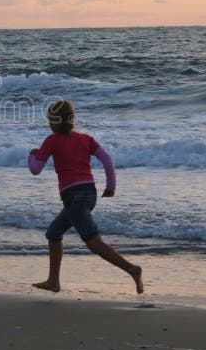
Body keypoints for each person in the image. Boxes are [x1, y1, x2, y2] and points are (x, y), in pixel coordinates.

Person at [28, 99, 143, 294]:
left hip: (74, 198)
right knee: (53, 233)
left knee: (93, 241)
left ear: (56, 121)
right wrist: (111, 186)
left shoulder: (51, 140)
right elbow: (107, 158)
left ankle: (132, 269)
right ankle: (53, 281)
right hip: (89, 194)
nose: (49, 123)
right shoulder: (86, 139)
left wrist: (32, 155)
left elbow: (35, 169)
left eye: (50, 120)